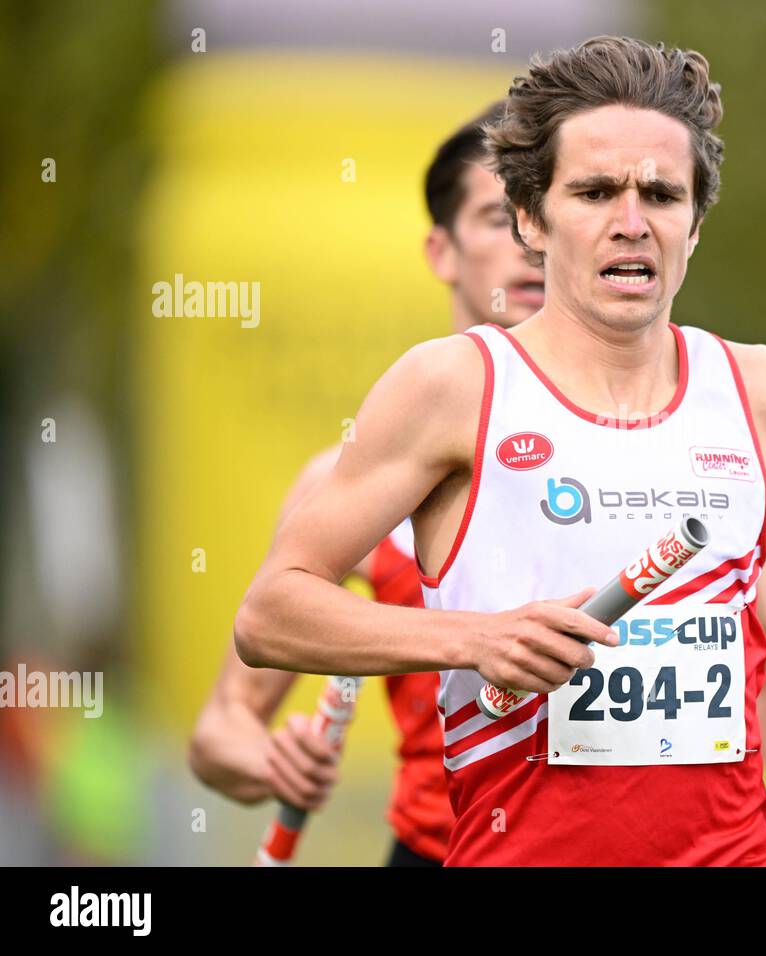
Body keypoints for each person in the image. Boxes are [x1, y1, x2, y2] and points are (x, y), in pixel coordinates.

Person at [233, 35, 766, 866]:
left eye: (662, 195)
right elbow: (270, 612)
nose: (631, 223)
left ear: (695, 222)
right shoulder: (453, 389)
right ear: (531, 217)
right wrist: (475, 640)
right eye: (596, 191)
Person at [188, 101, 543, 866]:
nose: (530, 244)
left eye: (545, 216)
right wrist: (268, 762)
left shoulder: (670, 446)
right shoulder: (350, 478)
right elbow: (220, 731)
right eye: (496, 217)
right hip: (441, 851)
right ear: (441, 251)